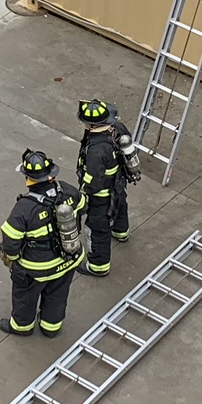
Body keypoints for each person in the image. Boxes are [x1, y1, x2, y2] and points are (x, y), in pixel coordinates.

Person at [0, 150, 84, 338]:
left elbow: (11, 242)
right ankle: (50, 328)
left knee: (25, 297)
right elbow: (83, 206)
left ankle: (22, 327)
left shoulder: (24, 208)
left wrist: (13, 261)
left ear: (28, 178)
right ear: (51, 174)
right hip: (68, 260)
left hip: (36, 268)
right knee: (57, 295)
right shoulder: (68, 190)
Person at [74, 98, 138, 276]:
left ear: (91, 125)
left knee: (97, 228)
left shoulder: (96, 150)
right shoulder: (118, 128)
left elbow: (93, 181)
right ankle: (121, 232)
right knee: (120, 205)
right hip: (118, 184)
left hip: (100, 197)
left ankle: (98, 266)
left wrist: (82, 196)